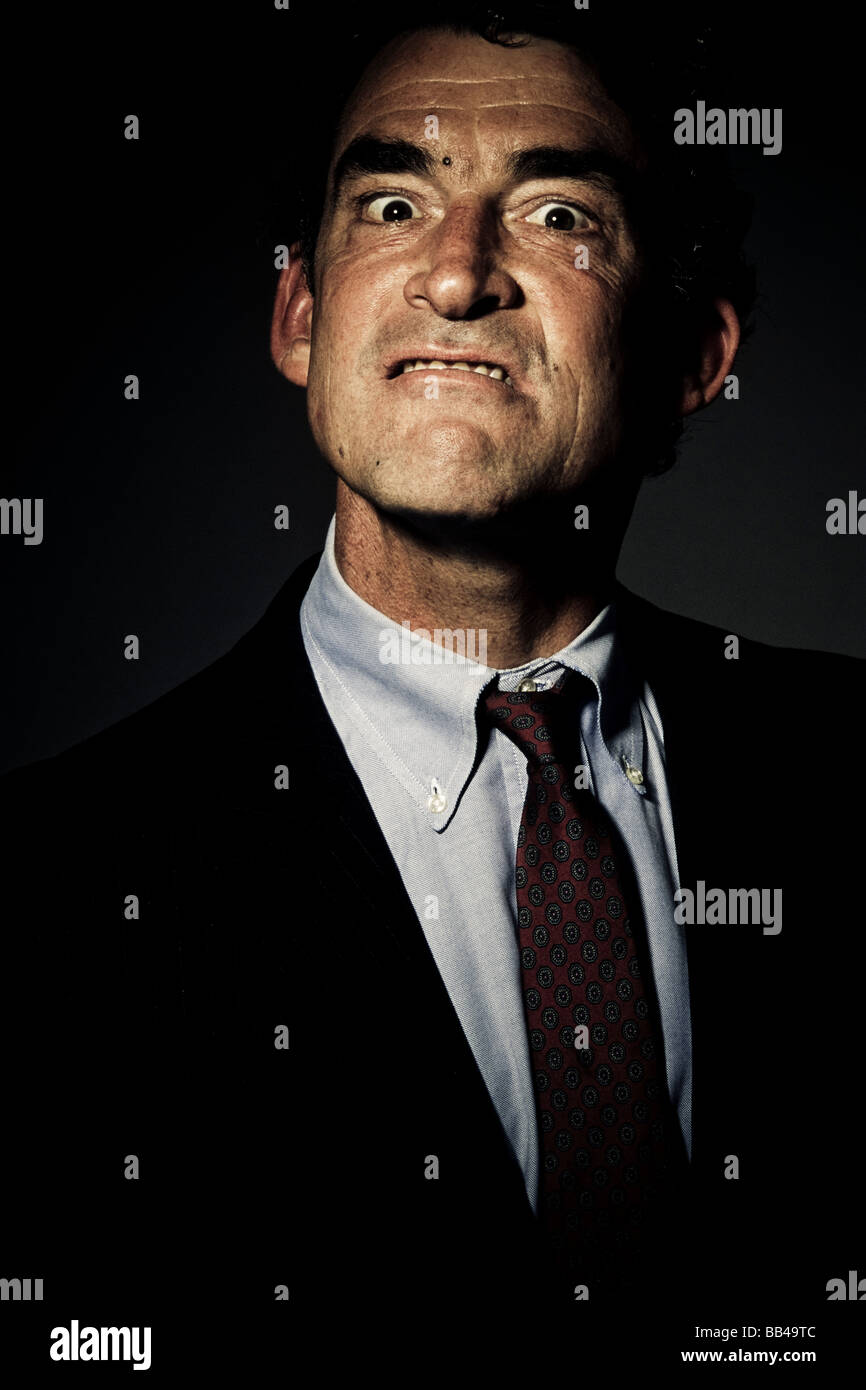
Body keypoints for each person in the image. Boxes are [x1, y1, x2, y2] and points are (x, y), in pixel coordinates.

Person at [2, 3, 862, 1371]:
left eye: (559, 216)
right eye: (393, 200)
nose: (456, 276)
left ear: (695, 353)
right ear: (299, 314)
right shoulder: (39, 893)